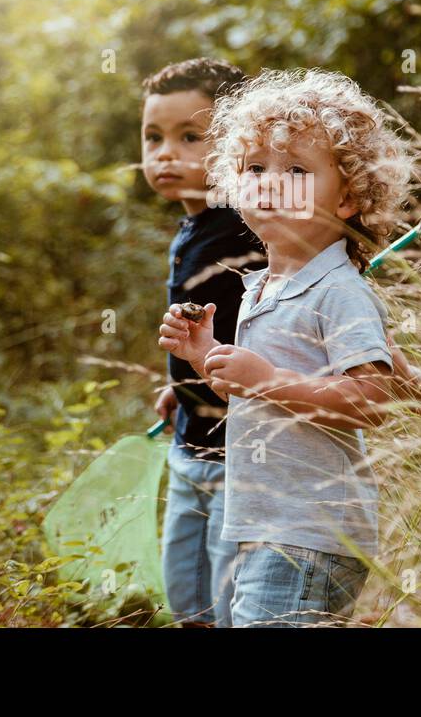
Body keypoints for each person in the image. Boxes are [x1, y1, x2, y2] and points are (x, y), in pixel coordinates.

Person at [158, 68, 421, 626]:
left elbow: (371, 401)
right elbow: (257, 398)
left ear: (349, 196)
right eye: (255, 167)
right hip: (266, 525)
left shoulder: (339, 292)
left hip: (310, 532)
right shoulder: (262, 286)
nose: (269, 182)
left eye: (296, 170)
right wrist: (207, 358)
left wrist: (264, 379)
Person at [140, 58, 265, 627]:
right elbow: (207, 328)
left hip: (238, 454)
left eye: (189, 137)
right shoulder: (191, 228)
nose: (166, 154)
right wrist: (182, 384)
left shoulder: (249, 229)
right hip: (190, 443)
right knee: (185, 594)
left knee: (227, 593)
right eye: (154, 137)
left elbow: (264, 327)